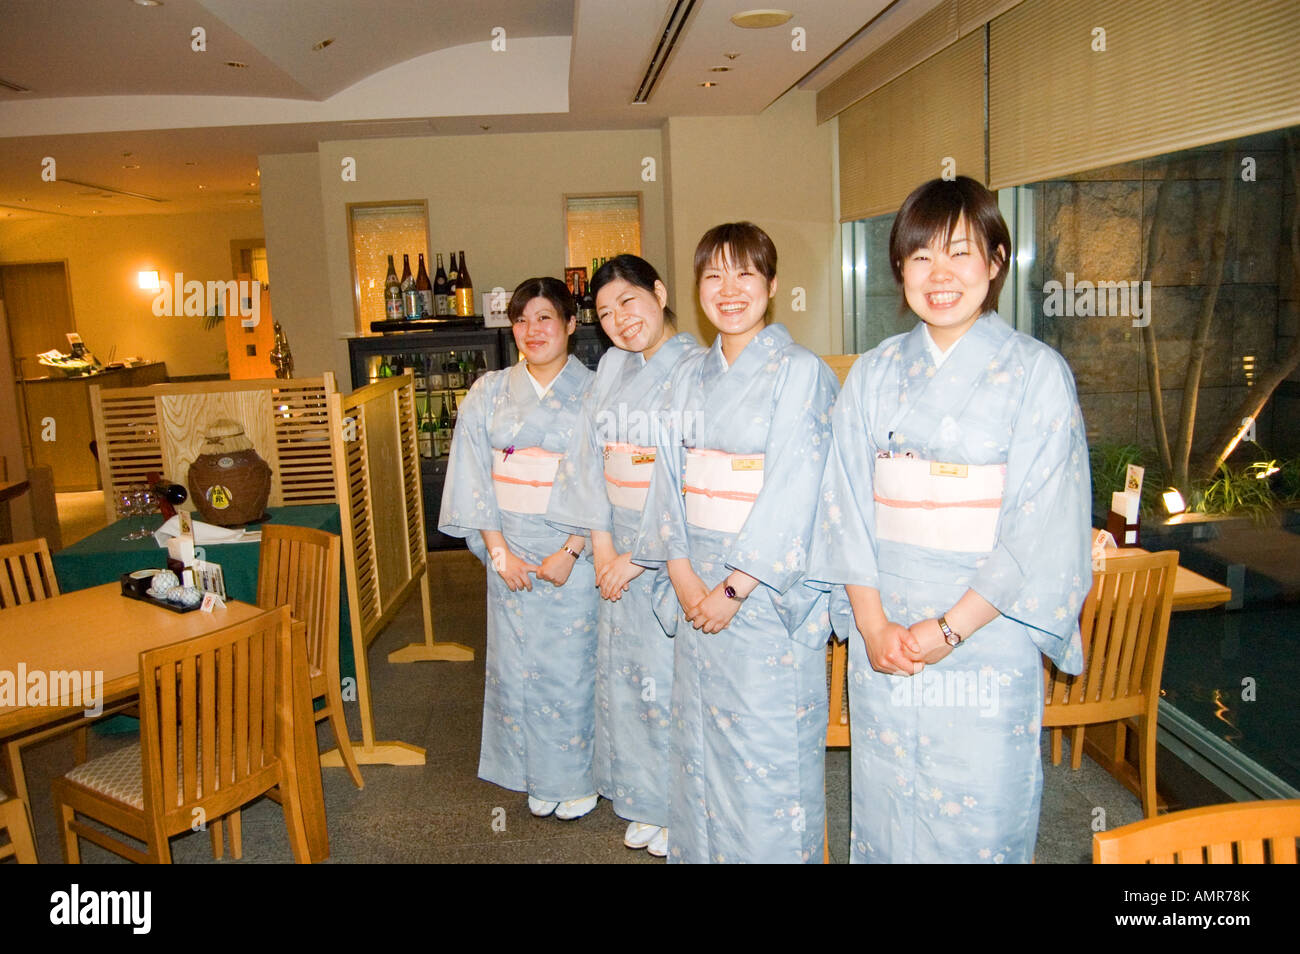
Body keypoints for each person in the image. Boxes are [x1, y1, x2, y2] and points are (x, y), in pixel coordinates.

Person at [807, 176, 1091, 863]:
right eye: (920, 256)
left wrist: (948, 629)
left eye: (960, 253)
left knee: (979, 812)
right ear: (899, 269)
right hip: (888, 636)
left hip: (985, 634)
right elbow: (843, 504)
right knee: (887, 807)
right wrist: (872, 626)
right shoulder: (872, 375)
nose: (940, 274)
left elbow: (1040, 528)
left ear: (995, 262)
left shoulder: (1036, 375)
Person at [633, 223, 839, 863]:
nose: (729, 289)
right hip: (697, 589)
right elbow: (667, 480)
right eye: (713, 275)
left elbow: (797, 490)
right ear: (697, 290)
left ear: (772, 286)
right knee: (700, 748)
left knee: (766, 753)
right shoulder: (686, 378)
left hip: (761, 601)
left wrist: (733, 586)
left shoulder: (800, 374)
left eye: (745, 274)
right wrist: (685, 576)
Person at [547, 255, 703, 858]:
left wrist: (636, 557)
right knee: (627, 680)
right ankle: (640, 797)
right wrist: (604, 547)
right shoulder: (610, 366)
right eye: (605, 312)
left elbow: (689, 473)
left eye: (629, 303)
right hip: (613, 543)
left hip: (669, 555)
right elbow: (588, 458)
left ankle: (675, 806)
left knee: (668, 682)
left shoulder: (694, 367)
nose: (618, 320)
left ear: (660, 294)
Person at [439, 277, 600, 821]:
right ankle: (533, 771)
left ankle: (575, 775)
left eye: (545, 318)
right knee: (515, 664)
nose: (532, 331)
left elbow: (606, 479)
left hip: (570, 549)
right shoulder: (488, 391)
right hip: (506, 546)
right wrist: (498, 550)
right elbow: (473, 473)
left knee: (571, 665)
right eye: (522, 320)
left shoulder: (596, 391)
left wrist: (572, 549)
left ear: (572, 325)